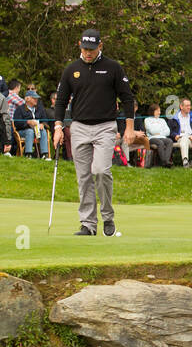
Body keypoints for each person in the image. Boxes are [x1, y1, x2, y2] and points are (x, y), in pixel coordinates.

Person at [52, 29, 136, 235]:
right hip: (79, 127)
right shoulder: (71, 69)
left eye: (91, 49)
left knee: (100, 171)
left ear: (100, 46)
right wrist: (57, 127)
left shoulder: (113, 68)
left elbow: (127, 98)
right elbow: (61, 100)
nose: (88, 53)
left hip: (105, 127)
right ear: (79, 45)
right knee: (83, 177)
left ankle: (107, 216)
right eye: (84, 49)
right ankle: (88, 224)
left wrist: (130, 127)